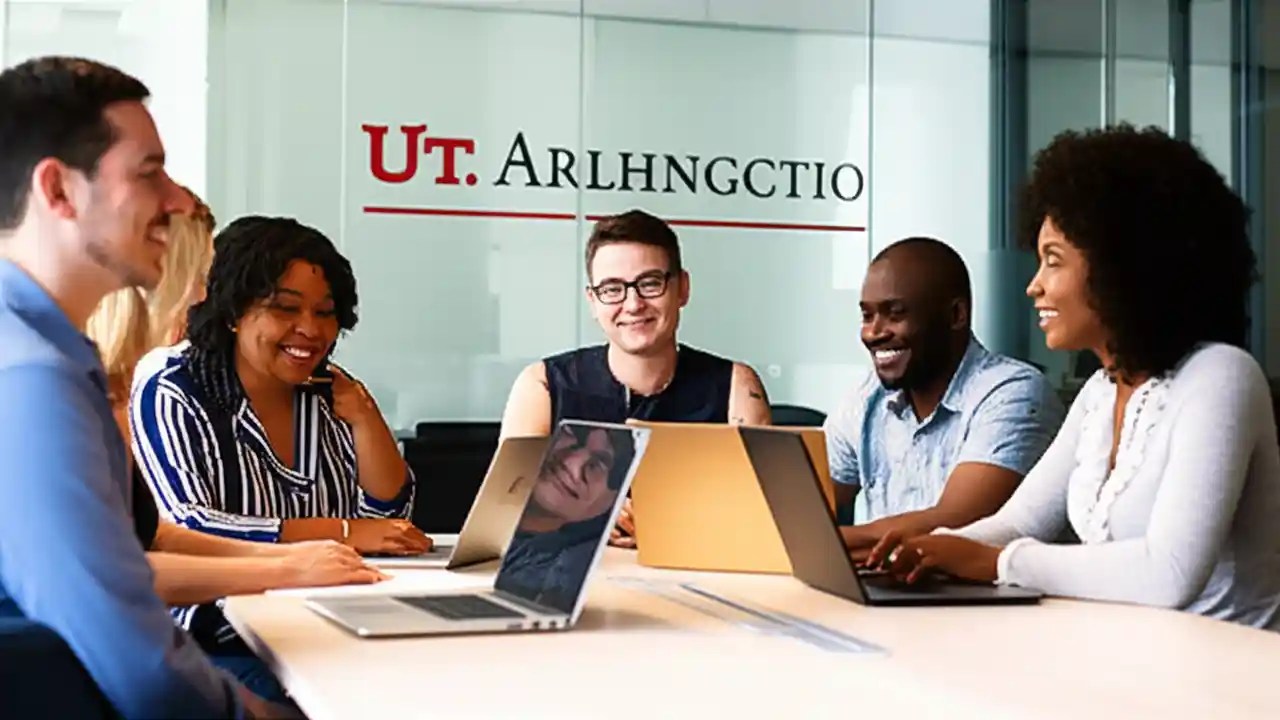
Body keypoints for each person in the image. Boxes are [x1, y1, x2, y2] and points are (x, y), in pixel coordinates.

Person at [869, 125, 1280, 631]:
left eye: (1053, 261)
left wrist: (1001, 564)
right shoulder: (1101, 391)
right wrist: (926, 551)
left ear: (1124, 268)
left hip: (1227, 685)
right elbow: (1019, 522)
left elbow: (1169, 573)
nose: (1033, 285)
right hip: (1131, 662)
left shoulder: (1221, 377)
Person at [0, 55, 285, 718]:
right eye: (149, 173)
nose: (179, 201)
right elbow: (137, 663)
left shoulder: (49, 354)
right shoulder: (30, 376)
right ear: (60, 191)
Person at [82, 191, 384, 700]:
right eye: (196, 278)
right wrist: (290, 563)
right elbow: (104, 573)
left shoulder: (100, 385)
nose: (205, 297)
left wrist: (307, 556)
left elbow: (156, 538)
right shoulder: (93, 386)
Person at [131, 214, 431, 693]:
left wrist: (366, 417)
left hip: (326, 619)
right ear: (233, 310)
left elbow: (391, 520)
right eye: (285, 309)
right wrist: (347, 534)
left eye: (326, 312)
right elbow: (186, 525)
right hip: (218, 637)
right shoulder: (174, 381)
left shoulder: (326, 390)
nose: (310, 330)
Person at [499, 209, 771, 546]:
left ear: (682, 288)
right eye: (612, 289)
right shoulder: (542, 385)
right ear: (593, 301)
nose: (633, 303)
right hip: (564, 587)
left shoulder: (736, 388)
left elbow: (762, 521)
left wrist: (670, 524)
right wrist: (600, 520)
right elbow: (504, 513)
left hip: (695, 580)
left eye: (650, 283)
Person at [825, 237, 1064, 559]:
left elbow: (955, 525)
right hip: (887, 598)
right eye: (867, 316)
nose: (873, 333)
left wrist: (818, 543)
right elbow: (797, 508)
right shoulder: (866, 399)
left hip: (981, 604)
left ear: (955, 315)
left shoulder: (1013, 392)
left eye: (895, 314)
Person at [495, 424, 637, 612]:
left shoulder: (562, 574)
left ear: (611, 502)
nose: (573, 464)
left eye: (598, 464)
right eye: (572, 436)